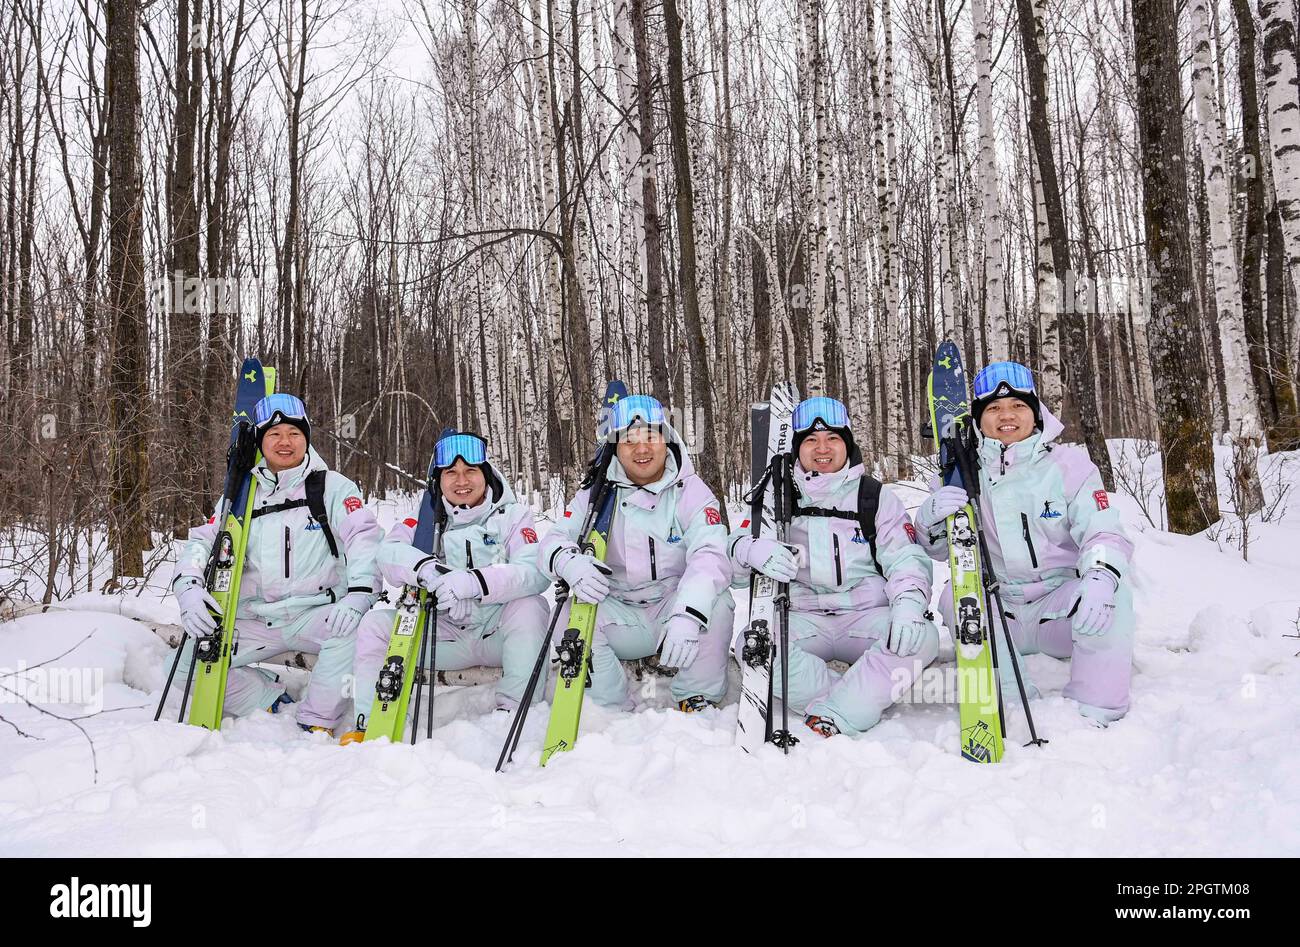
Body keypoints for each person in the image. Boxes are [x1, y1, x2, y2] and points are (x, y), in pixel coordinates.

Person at [912, 361, 1134, 725]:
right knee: (955, 598)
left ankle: (1096, 711)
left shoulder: (1069, 465)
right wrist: (928, 518)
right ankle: (1012, 700)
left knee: (1114, 591)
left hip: (1060, 611)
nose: (1006, 416)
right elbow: (939, 549)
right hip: (999, 613)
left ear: (1035, 412)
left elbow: (1103, 529)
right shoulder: (962, 471)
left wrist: (1101, 575)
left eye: (1017, 406)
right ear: (979, 419)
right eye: (994, 409)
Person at [171, 393, 381, 735]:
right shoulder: (239, 494)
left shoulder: (332, 487)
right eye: (275, 434)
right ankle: (267, 697)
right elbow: (201, 541)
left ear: (307, 437)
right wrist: (188, 587)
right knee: (179, 668)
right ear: (260, 440)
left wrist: (360, 594)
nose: (285, 442)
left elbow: (364, 538)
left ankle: (317, 720)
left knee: (354, 630)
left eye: (294, 433)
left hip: (316, 613)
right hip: (255, 618)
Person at [728, 396, 938, 738]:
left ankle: (838, 711)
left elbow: (905, 559)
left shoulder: (874, 496)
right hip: (801, 616)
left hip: (866, 613)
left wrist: (909, 605)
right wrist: (750, 550)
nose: (821, 448)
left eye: (832, 439)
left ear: (847, 444)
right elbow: (734, 564)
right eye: (810, 440)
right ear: (797, 448)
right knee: (751, 646)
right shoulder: (774, 497)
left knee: (921, 637)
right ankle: (854, 693)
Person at [346, 431, 550, 743]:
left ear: (486, 473)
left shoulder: (512, 516)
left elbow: (534, 572)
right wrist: (430, 571)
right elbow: (388, 554)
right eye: (451, 473)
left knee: (532, 606)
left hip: (497, 634)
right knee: (375, 624)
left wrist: (474, 583)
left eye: (470, 471)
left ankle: (514, 712)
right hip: (442, 637)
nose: (461, 481)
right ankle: (375, 722)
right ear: (439, 479)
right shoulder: (425, 519)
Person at [537, 395, 733, 712]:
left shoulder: (691, 491)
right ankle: (606, 705)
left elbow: (710, 555)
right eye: (629, 440)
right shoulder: (595, 493)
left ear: (666, 438)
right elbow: (553, 540)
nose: (641, 449)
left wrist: (688, 612)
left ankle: (697, 695)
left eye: (650, 437)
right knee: (568, 618)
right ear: (616, 447)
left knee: (718, 602)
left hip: (672, 608)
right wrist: (568, 562)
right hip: (618, 609)